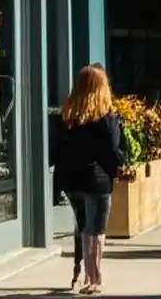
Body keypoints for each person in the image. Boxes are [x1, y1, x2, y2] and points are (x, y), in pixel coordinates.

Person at [55, 65, 124, 295]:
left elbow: (58, 150)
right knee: (98, 229)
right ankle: (95, 275)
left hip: (72, 181)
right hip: (98, 180)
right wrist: (120, 166)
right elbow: (112, 152)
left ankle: (86, 274)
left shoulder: (68, 115)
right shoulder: (106, 118)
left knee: (84, 227)